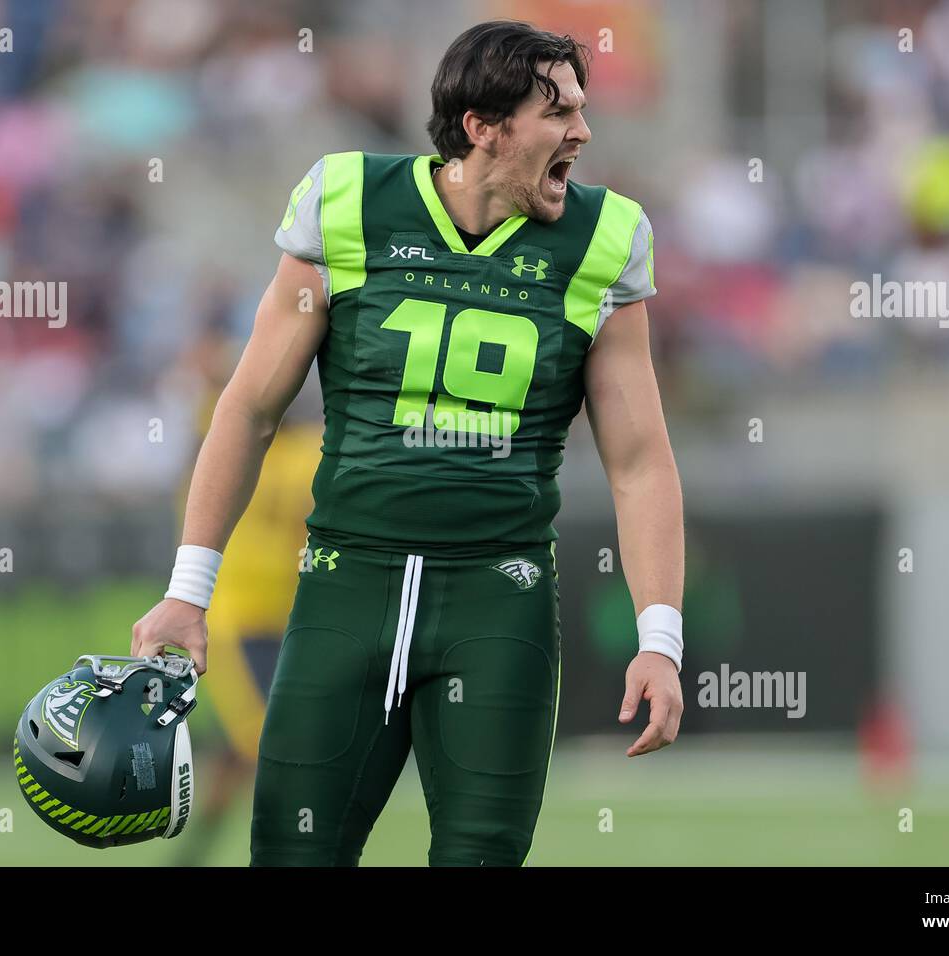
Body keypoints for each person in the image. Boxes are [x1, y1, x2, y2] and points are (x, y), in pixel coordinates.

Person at [132, 19, 686, 867]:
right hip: (347, 587)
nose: (582, 130)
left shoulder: (603, 242)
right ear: (483, 126)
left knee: (480, 856)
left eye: (582, 107)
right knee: (291, 852)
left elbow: (640, 458)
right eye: (558, 110)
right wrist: (187, 590)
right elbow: (247, 408)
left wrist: (660, 639)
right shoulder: (350, 202)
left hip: (498, 601)